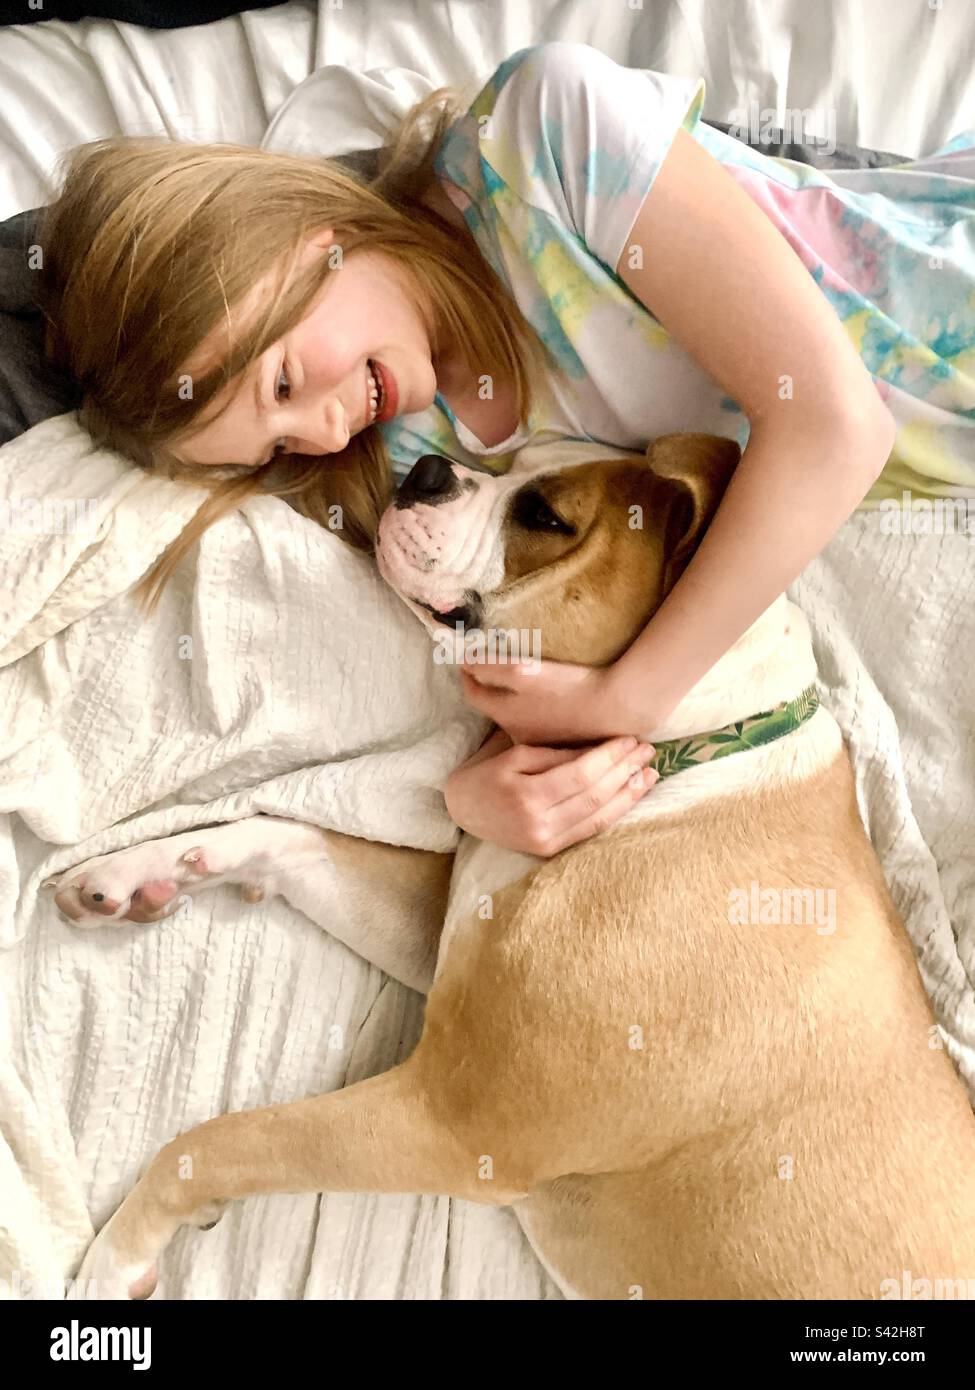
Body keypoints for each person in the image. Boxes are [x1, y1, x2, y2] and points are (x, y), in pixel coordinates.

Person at [36, 40, 974, 856]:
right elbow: (534, 637)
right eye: (276, 441)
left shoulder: (541, 135)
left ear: (300, 241)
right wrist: (470, 796)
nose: (321, 430)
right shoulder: (400, 451)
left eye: (283, 381)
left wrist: (627, 701)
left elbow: (834, 424)